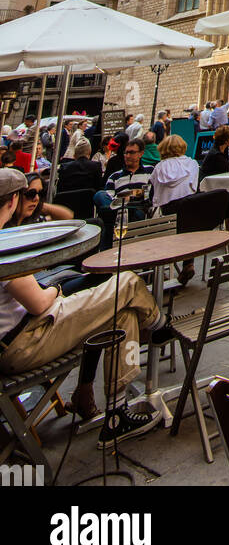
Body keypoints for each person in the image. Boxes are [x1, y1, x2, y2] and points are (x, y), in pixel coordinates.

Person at [0, 168, 164, 445]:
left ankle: (116, 414)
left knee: (121, 315)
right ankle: (161, 327)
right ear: (12, 200)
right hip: (24, 342)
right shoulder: (4, 246)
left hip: (23, 336)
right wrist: (56, 289)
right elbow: (39, 302)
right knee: (127, 282)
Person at [94, 139, 154, 248]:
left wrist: (130, 197)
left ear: (141, 154)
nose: (127, 156)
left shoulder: (150, 171)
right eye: (126, 153)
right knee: (100, 195)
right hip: (117, 208)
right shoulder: (115, 176)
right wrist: (121, 201)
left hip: (137, 209)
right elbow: (108, 196)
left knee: (108, 220)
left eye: (131, 152)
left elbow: (149, 193)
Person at [149, 135, 200, 212]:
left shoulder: (159, 167)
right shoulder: (192, 164)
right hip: (190, 210)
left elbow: (152, 194)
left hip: (167, 212)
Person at [10, 171, 74, 226]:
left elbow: (68, 216)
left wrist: (40, 205)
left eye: (41, 193)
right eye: (31, 193)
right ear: (15, 196)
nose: (37, 198)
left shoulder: (35, 221)